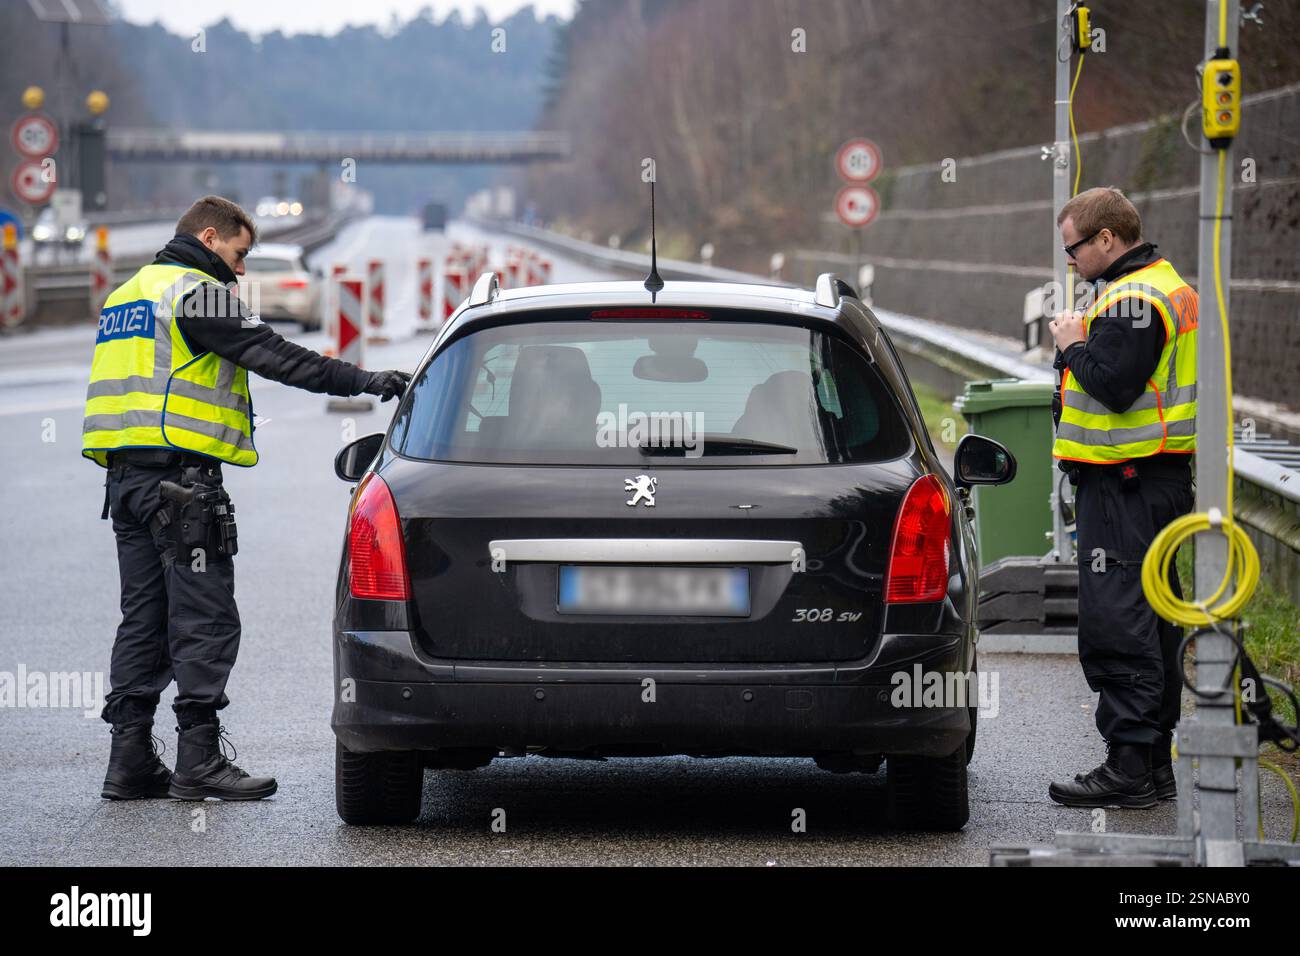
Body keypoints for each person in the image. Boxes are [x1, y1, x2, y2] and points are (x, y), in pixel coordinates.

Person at [85, 195, 411, 801]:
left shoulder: (129, 292)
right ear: (210, 237)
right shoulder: (196, 292)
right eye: (238, 254)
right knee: (205, 617)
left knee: (143, 619)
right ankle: (199, 759)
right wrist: (366, 380)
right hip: (180, 486)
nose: (239, 271)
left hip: (125, 483)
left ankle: (128, 760)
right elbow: (276, 357)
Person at [1045, 186, 1198, 809]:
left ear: (1107, 239)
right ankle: (1154, 764)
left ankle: (1129, 763)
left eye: (1074, 249)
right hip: (1152, 482)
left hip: (1125, 485)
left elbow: (1113, 386)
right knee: (1155, 614)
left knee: (1119, 618)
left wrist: (1071, 344)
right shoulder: (1162, 285)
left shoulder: (1133, 301)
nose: (1071, 262)